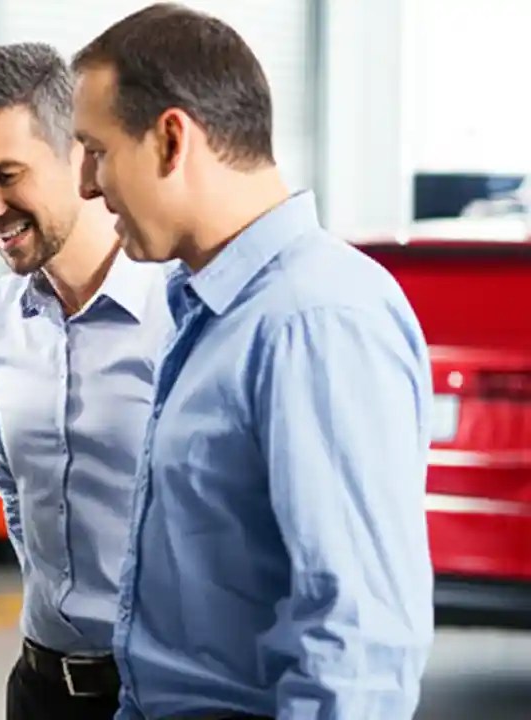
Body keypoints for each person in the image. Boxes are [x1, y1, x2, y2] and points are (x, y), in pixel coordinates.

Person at [69, 5, 435, 719]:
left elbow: (357, 647)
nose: (86, 184)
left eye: (97, 149)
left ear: (172, 140)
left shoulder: (315, 321)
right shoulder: (213, 309)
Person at [0, 43, 173, 719]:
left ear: (80, 156)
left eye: (6, 175)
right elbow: (14, 489)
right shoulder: (3, 318)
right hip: (38, 690)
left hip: (162, 696)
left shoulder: (180, 315)